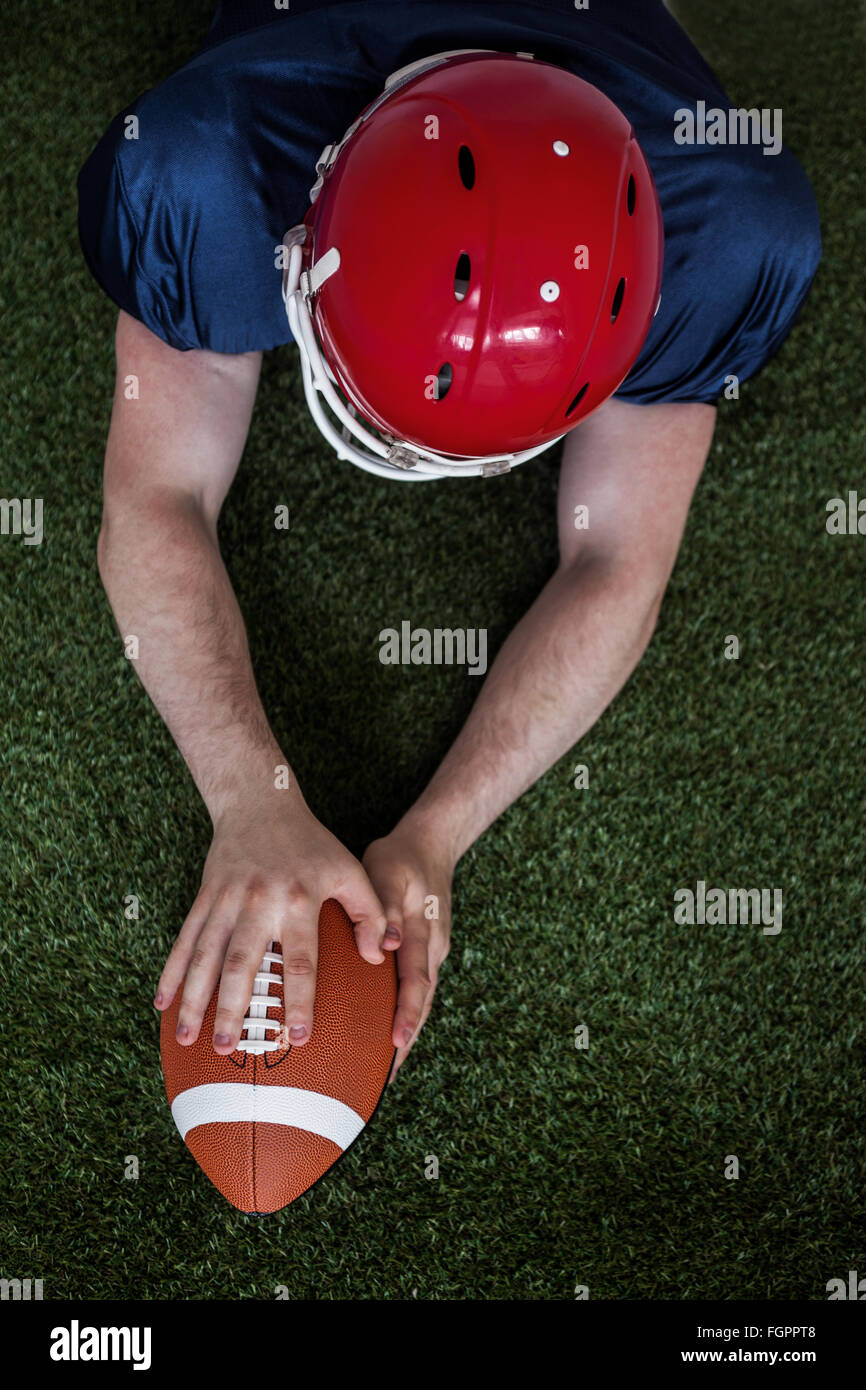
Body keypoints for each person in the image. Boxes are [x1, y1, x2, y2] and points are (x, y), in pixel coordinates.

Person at [78, 0, 821, 1077]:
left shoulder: (719, 226)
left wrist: (436, 834)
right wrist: (245, 796)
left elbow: (618, 557)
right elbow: (153, 497)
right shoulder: (210, 163)